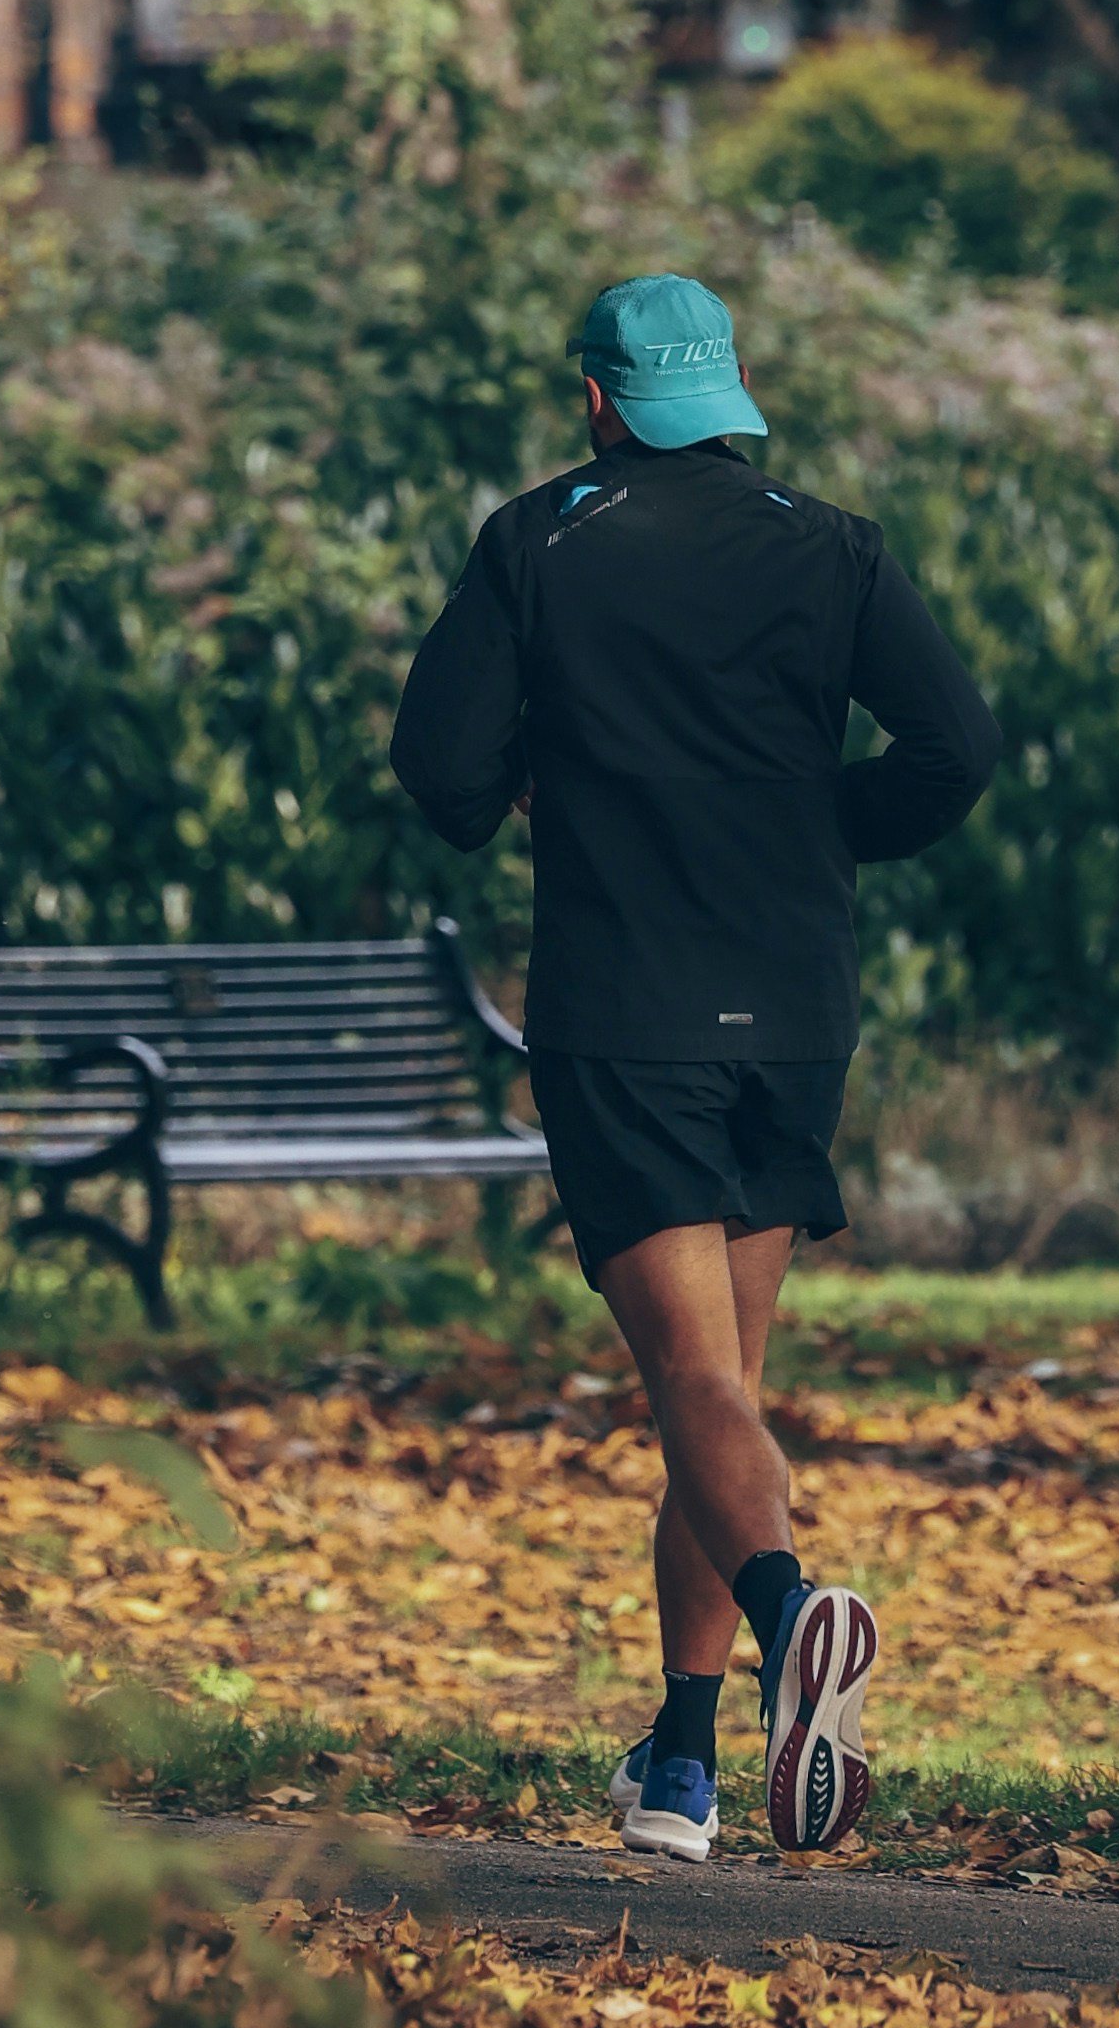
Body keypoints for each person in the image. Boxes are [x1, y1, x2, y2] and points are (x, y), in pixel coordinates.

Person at [390, 274, 1000, 1862]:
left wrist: (538, 783)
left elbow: (441, 775)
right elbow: (953, 753)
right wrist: (814, 828)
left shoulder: (538, 539)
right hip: (791, 1013)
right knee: (718, 1389)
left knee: (694, 1386)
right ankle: (679, 1760)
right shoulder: (832, 541)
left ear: (596, 400)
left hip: (629, 1013)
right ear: (725, 393)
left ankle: (794, 1609)